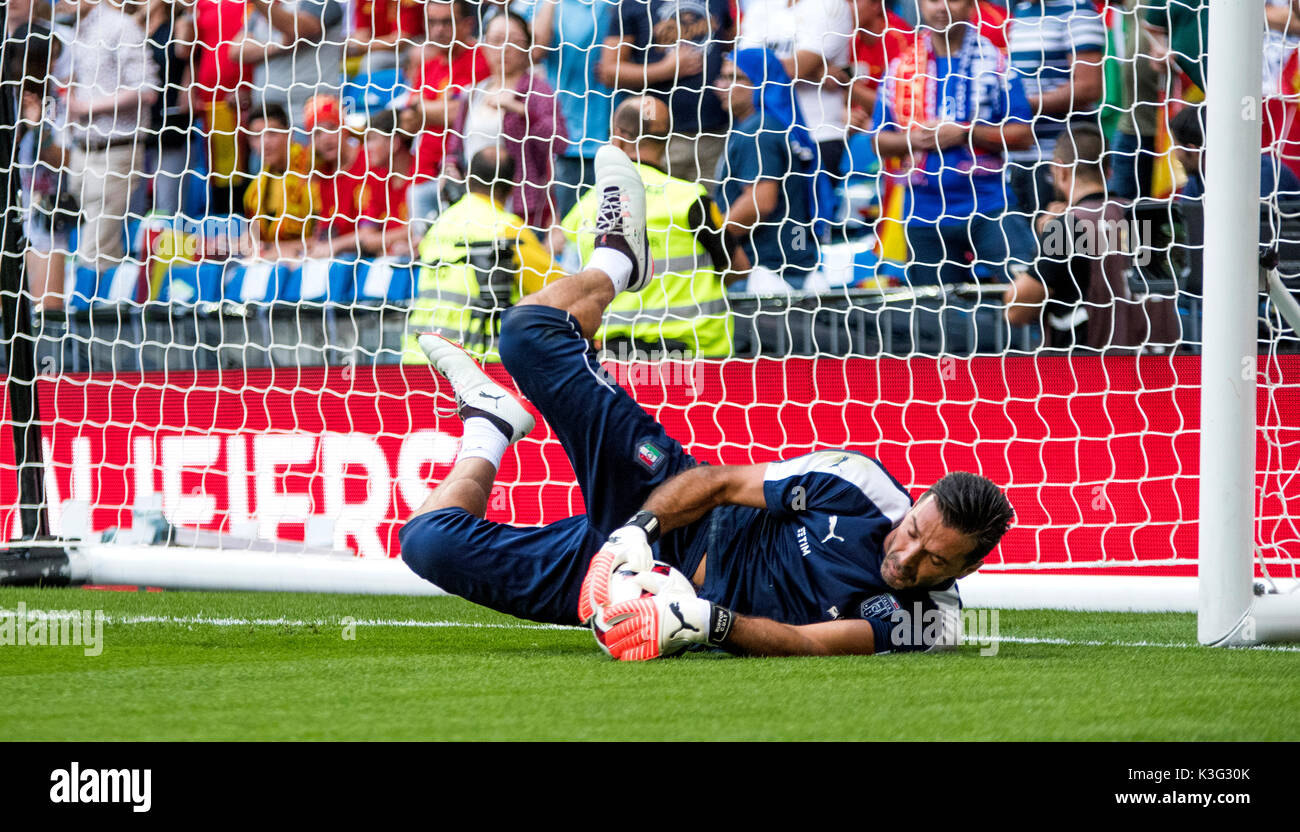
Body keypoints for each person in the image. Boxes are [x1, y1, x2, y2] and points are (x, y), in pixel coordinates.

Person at [399, 145, 1016, 659]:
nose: (905, 556)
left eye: (933, 558)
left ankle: (488, 424)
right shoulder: (860, 488)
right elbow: (719, 483)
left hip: (648, 594)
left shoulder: (935, 621)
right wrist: (637, 532)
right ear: (913, 507)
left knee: (427, 544)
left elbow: (813, 645)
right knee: (525, 336)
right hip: (668, 514)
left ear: (965, 570)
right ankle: (618, 261)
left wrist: (703, 621)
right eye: (912, 532)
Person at [557, 96, 744, 358]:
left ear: (618, 138)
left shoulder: (588, 204)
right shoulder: (690, 198)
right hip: (696, 361)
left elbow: (563, 274)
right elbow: (739, 267)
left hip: (614, 360)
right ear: (667, 139)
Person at [869, 0, 1035, 288]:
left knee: (1022, 295)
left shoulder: (996, 62)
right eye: (932, 0)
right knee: (936, 319)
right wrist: (914, 139)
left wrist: (965, 134)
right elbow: (878, 141)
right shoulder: (900, 68)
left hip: (989, 206)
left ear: (972, 6)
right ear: (920, 5)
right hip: (924, 214)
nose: (942, 7)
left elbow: (1022, 134)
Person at [1006, 124, 1179, 351]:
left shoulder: (1067, 226)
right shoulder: (1147, 216)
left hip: (1092, 374)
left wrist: (1043, 244)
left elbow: (1016, 310)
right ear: (1109, 172)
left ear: (1060, 170)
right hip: (1157, 369)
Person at [403, 146, 565, 363]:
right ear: (511, 187)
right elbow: (557, 289)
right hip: (475, 359)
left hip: (418, 355)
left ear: (468, 179)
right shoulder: (505, 227)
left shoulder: (440, 223)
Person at [443, 11, 566, 229]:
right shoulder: (473, 92)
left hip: (520, 209)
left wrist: (522, 111)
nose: (504, 49)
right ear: (484, 45)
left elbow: (559, 142)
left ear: (527, 47)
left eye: (514, 41)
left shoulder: (538, 91)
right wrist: (451, 167)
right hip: (474, 207)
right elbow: (455, 146)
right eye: (497, 40)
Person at [61, 0, 158, 274]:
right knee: (100, 248)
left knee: (95, 252)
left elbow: (147, 90)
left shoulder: (120, 26)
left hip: (115, 150)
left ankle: (85, 314)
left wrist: (85, 107)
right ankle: (109, 310)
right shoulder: (76, 31)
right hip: (81, 150)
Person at [598, 0, 735, 186]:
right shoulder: (633, 3)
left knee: (708, 211)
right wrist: (665, 69)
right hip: (658, 140)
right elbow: (609, 71)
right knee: (657, 208)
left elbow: (731, 44)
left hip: (715, 134)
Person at [714, 53, 818, 290]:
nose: (721, 85)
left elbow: (760, 202)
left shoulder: (759, 129)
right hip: (779, 268)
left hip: (767, 275)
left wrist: (713, 240)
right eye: (722, 76)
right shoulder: (758, 125)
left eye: (735, 77)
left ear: (762, 82)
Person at [1005, 0, 1107, 219]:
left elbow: (1089, 88)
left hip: (1057, 161)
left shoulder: (1078, 12)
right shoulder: (1021, 12)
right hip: (1017, 155)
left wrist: (1022, 107)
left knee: (1054, 243)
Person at [242, 103, 319, 259]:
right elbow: (253, 240)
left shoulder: (314, 170)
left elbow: (325, 240)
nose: (265, 143)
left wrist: (273, 249)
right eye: (257, 135)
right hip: (271, 264)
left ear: (289, 134)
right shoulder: (254, 190)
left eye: (272, 133)